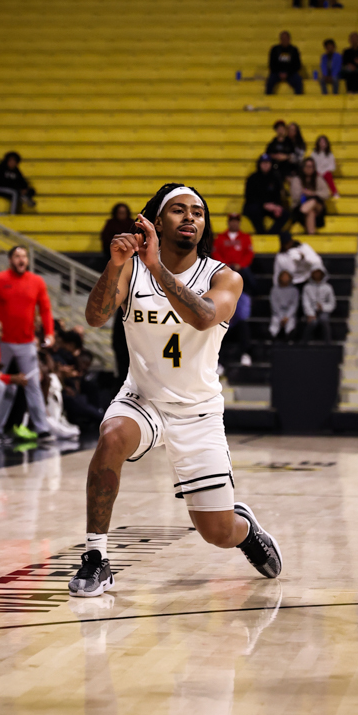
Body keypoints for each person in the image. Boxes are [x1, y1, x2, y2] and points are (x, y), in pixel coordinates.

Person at [67, 181, 282, 598]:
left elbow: (203, 317)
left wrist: (156, 268)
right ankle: (96, 558)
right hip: (143, 397)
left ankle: (246, 529)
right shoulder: (129, 270)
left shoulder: (225, 277)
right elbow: (94, 318)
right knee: (110, 437)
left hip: (198, 411)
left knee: (217, 533)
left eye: (198, 212)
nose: (190, 218)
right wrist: (114, 265)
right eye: (179, 210)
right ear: (156, 222)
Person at [0, 245, 55, 444]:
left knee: (33, 385)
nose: (21, 259)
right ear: (10, 259)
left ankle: (42, 428)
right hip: (0, 343)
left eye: (24, 256)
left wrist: (49, 333)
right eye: (17, 256)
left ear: (27, 261)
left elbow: (45, 310)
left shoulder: (37, 282)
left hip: (26, 342)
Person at [211, 213, 255, 295]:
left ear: (239, 223)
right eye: (232, 221)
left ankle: (251, 295)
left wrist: (240, 265)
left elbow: (249, 254)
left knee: (249, 277)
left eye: (236, 221)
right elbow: (215, 253)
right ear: (228, 222)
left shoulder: (245, 237)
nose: (234, 223)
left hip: (241, 268)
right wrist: (225, 265)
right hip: (225, 268)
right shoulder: (220, 237)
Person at [243, 155, 288, 235]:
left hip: (271, 207)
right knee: (254, 210)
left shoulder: (275, 178)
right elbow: (249, 197)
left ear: (271, 164)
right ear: (259, 164)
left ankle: (272, 234)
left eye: (267, 162)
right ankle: (261, 234)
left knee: (285, 213)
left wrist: (276, 206)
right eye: (263, 163)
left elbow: (277, 196)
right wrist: (263, 205)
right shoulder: (252, 178)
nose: (265, 165)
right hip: (256, 206)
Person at [289, 157, 330, 235]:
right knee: (311, 212)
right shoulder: (297, 180)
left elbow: (326, 193)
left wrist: (312, 193)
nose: (309, 169)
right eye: (307, 166)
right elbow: (295, 196)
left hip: (317, 208)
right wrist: (305, 194)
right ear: (303, 167)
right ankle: (311, 235)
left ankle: (304, 209)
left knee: (314, 201)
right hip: (300, 206)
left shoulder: (318, 179)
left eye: (311, 166)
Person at [302, 267, 336, 342]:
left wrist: (323, 307)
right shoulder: (307, 287)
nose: (317, 275)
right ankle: (304, 342)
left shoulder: (328, 287)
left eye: (319, 273)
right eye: (315, 272)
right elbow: (306, 302)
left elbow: (332, 303)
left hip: (323, 311)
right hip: (311, 311)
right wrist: (310, 313)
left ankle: (328, 342)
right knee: (313, 322)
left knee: (324, 319)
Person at [269, 270, 298, 340]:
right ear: (280, 278)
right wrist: (281, 317)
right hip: (277, 313)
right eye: (283, 276)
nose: (285, 278)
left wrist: (287, 317)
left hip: (289, 314)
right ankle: (272, 339)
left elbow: (294, 305)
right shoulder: (274, 290)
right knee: (275, 322)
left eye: (286, 276)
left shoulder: (294, 290)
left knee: (291, 323)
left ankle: (289, 339)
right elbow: (274, 304)